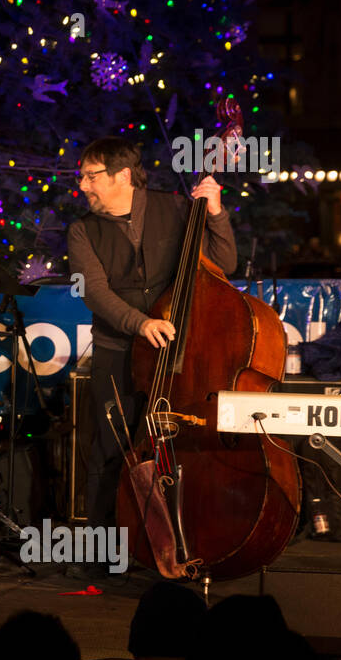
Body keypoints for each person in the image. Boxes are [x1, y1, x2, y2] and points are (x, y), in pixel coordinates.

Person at [66, 137, 236, 575]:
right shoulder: (83, 228)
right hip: (118, 352)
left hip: (177, 355)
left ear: (122, 175)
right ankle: (102, 556)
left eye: (91, 176)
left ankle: (180, 542)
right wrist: (140, 323)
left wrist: (214, 211)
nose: (83, 185)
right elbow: (96, 293)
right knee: (111, 453)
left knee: (182, 451)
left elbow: (224, 262)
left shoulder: (176, 208)